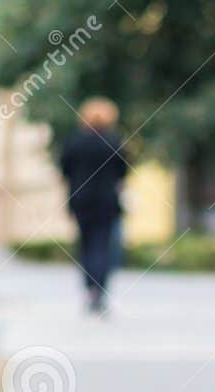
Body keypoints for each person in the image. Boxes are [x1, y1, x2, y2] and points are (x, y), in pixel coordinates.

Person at [58, 97, 128, 315]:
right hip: (107, 202)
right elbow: (123, 172)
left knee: (86, 246)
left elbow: (64, 170)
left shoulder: (74, 142)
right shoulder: (114, 142)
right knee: (103, 247)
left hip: (81, 201)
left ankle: (90, 289)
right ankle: (99, 291)